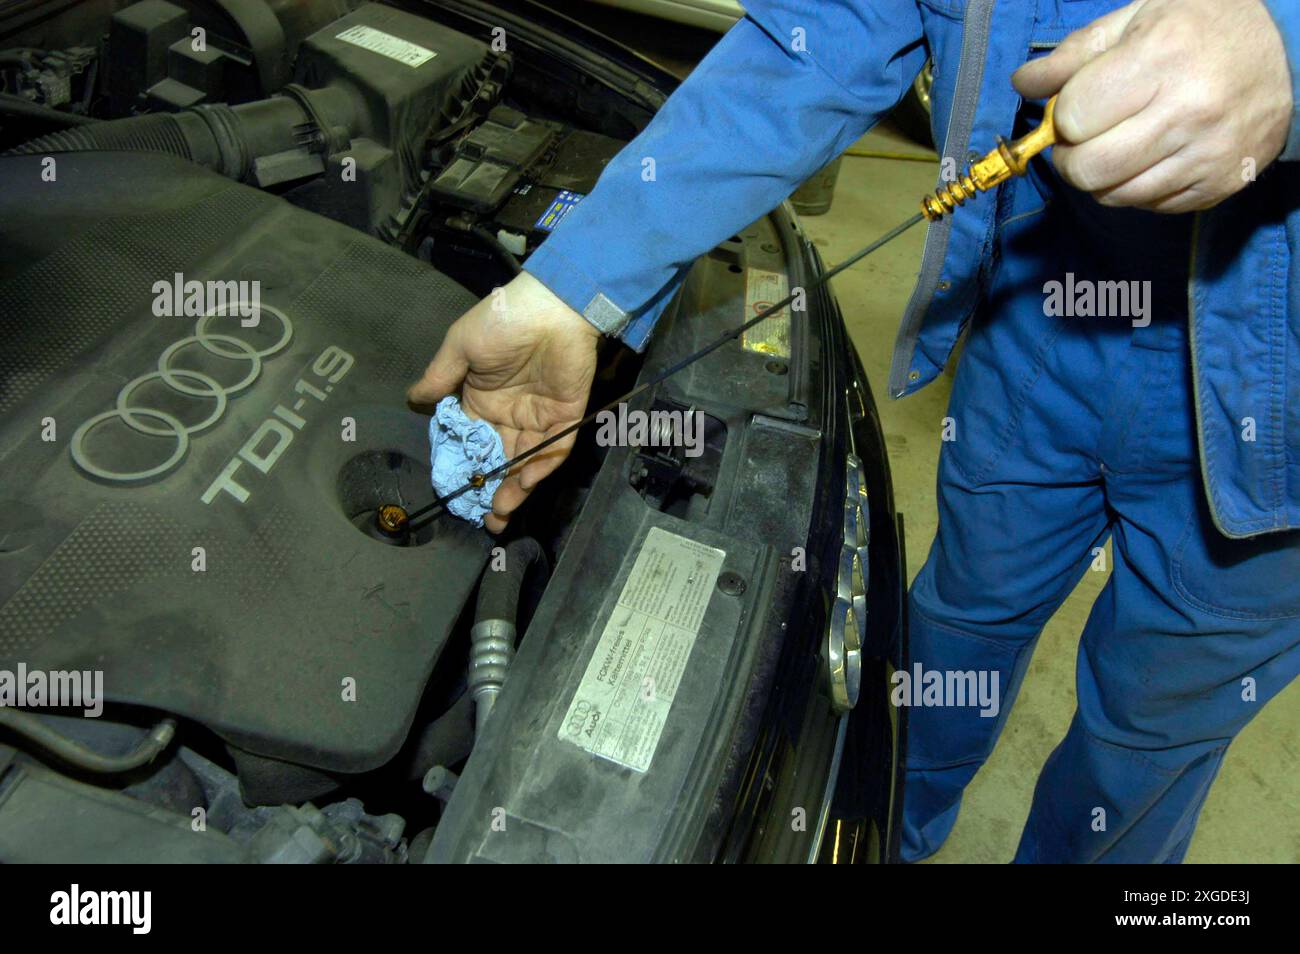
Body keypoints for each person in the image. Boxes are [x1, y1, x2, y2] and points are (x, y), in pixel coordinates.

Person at [408, 0, 1300, 863]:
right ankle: (893, 835)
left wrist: (1285, 48)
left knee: (1146, 740)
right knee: (956, 631)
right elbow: (824, 30)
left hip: (1274, 413)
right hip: (1045, 308)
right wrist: (571, 286)